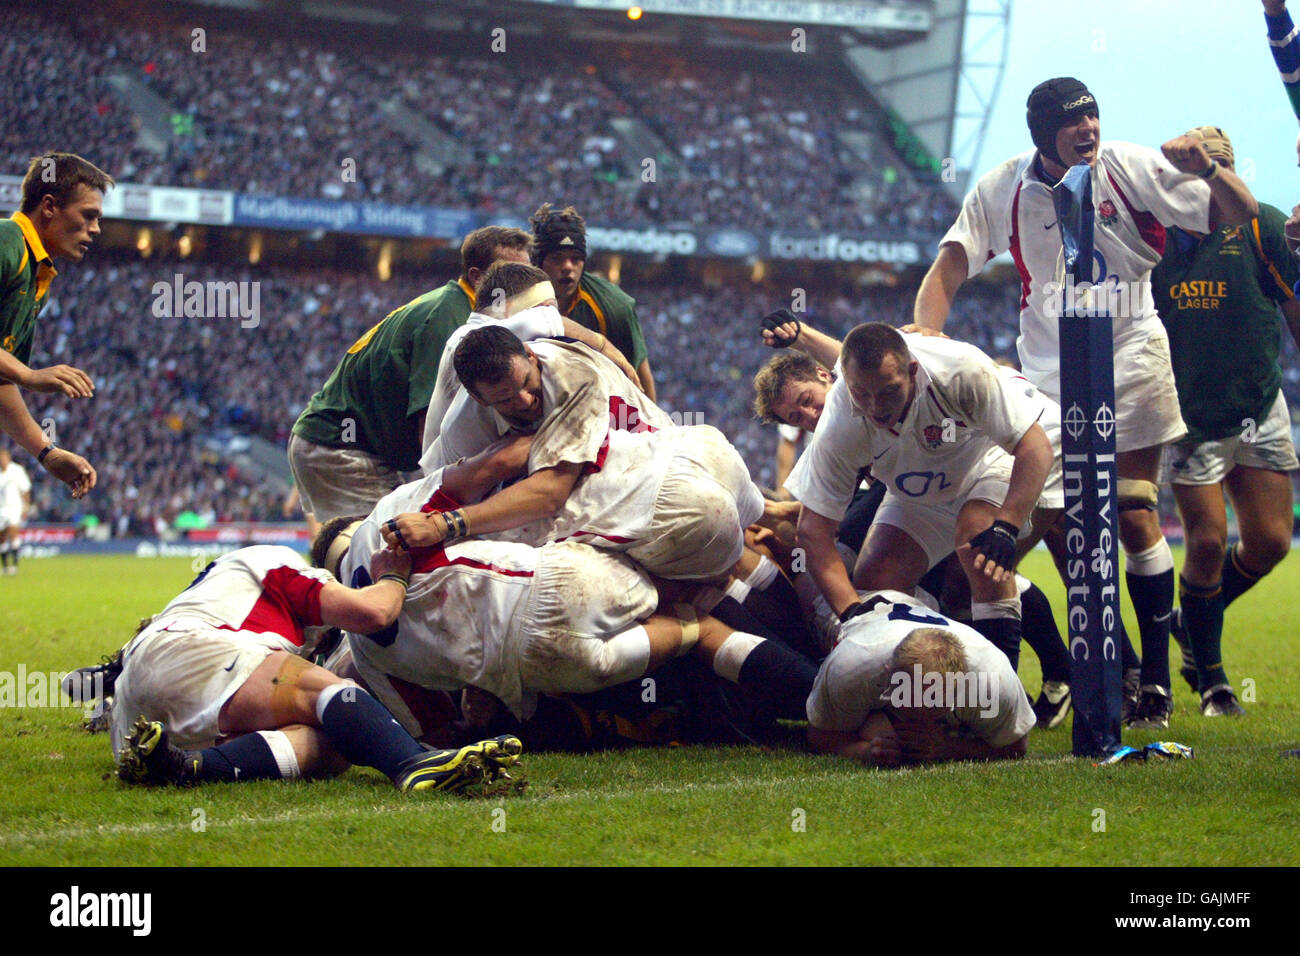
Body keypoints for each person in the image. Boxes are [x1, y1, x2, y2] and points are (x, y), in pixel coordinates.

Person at [912, 77, 1260, 729]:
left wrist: (1209, 167)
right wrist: (926, 336)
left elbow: (1237, 215)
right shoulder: (1004, 187)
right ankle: (1109, 670)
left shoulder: (1130, 166)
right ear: (1044, 133)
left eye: (1094, 116)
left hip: (1131, 349)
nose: (1089, 130)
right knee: (1060, 530)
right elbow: (951, 264)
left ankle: (1154, 684)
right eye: (1074, 123)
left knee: (1131, 515)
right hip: (1045, 372)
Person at [316, 452, 817, 736]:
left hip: (547, 670)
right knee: (696, 593)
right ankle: (822, 695)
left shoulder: (363, 649)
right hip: (559, 588)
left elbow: (434, 736)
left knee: (695, 631)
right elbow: (494, 467)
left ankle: (816, 709)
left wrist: (480, 696)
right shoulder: (391, 516)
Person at [83, 544, 522, 793]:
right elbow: (372, 614)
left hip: (139, 718)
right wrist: (395, 575)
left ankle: (186, 767)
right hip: (193, 655)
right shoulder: (281, 562)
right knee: (323, 692)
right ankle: (413, 764)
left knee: (335, 746)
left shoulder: (213, 591)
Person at [394, 324, 762, 583]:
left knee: (724, 561)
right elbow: (446, 491)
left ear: (530, 355)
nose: (525, 401)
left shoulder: (570, 373)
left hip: (655, 462)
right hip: (609, 494)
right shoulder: (463, 428)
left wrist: (449, 523)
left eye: (526, 383)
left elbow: (549, 493)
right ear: (478, 398)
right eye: (505, 399)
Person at [786, 323, 1055, 672]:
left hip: (985, 461)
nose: (875, 407)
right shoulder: (839, 421)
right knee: (875, 587)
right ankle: (930, 682)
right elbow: (812, 531)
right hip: (915, 494)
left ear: (912, 370)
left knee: (978, 548)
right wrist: (851, 613)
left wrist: (1007, 524)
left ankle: (997, 697)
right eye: (862, 394)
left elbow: (1034, 446)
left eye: (888, 392)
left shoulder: (960, 368)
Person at [1151, 126, 1300, 718]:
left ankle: (1193, 619)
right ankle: (1213, 681)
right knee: (1207, 539)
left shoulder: (1260, 225)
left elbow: (1292, 306)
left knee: (1269, 541)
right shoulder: (1157, 238)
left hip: (1258, 403)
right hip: (1188, 416)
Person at [289, 225, 531, 528]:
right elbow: (429, 427)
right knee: (388, 552)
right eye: (513, 275)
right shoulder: (451, 321)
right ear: (478, 278)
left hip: (343, 445)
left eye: (528, 274)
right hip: (341, 447)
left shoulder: (456, 307)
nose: (526, 284)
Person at [420, 260, 638, 453]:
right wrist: (603, 345)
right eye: (548, 310)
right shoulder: (467, 342)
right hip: (454, 476)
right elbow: (538, 322)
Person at [806, 590, 1034, 766]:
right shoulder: (853, 667)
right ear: (889, 673)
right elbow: (820, 734)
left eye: (932, 707)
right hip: (856, 614)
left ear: (960, 686)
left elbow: (1015, 746)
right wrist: (862, 751)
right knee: (807, 603)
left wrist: (949, 748)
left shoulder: (990, 678)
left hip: (919, 604)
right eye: (905, 702)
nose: (916, 719)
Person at [1, 152, 111, 500]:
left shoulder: (37, 277)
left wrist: (46, 452)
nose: (95, 228)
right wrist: (29, 376)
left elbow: (1, 384)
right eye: (88, 215)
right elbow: (14, 376)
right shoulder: (7, 242)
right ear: (49, 206)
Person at [530, 203, 656, 400]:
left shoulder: (615, 307)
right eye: (557, 258)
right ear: (538, 261)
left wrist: (652, 428)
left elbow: (639, 376)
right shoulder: (515, 299)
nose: (567, 267)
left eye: (576, 259)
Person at [0, 447, 31, 574]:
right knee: (1, 538)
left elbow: (25, 489)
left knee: (13, 533)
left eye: (4, 457)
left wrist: (26, 506)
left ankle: (15, 565)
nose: (2, 460)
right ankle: (6, 566)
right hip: (1, 509)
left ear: (8, 458)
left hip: (14, 506)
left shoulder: (17, 471)